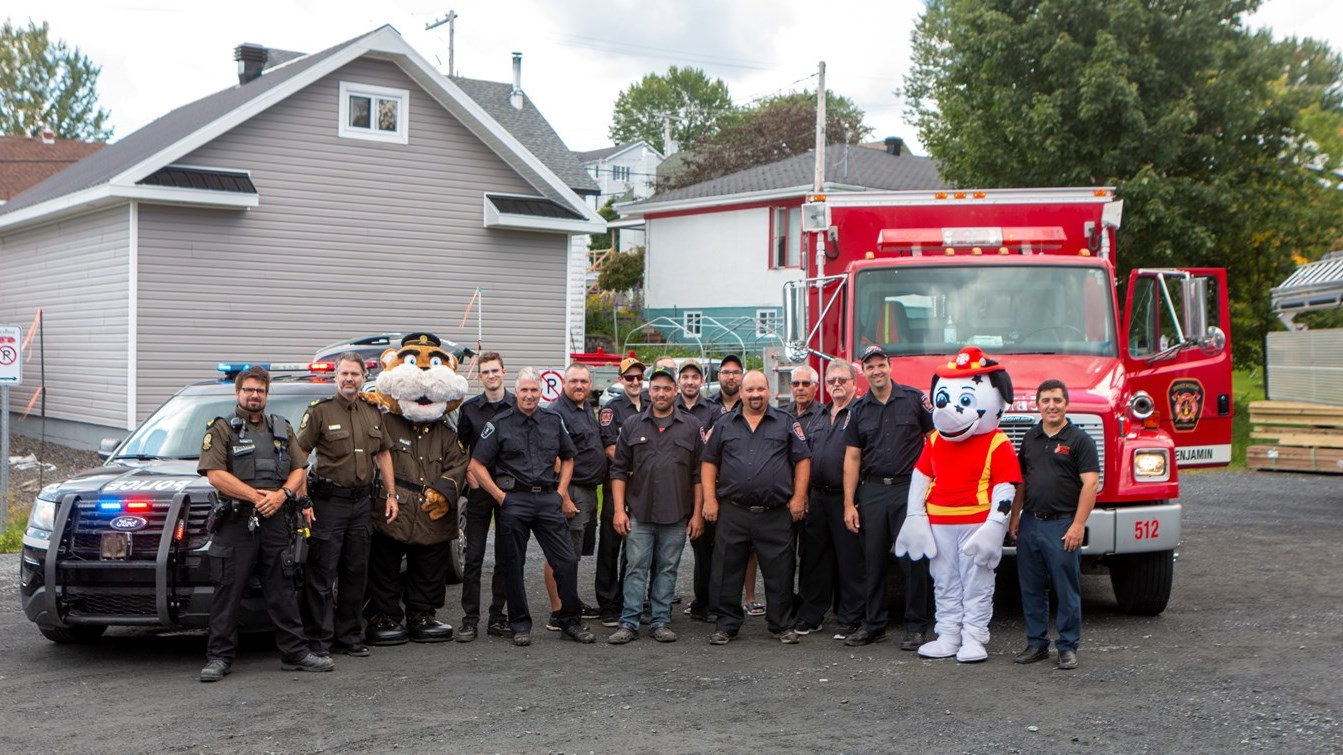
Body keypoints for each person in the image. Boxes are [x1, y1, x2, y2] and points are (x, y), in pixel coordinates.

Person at [197, 366, 332, 682]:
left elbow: (300, 469)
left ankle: (295, 652)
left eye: (260, 390)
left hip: (275, 522)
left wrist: (283, 495)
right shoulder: (221, 430)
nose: (254, 395)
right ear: (238, 393)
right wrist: (256, 497)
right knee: (228, 591)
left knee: (282, 591)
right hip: (237, 522)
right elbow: (215, 474)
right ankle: (219, 657)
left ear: (267, 395)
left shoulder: (281, 428)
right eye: (249, 390)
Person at [469, 368, 597, 646]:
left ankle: (569, 621)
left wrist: (561, 492)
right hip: (514, 500)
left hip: (548, 500)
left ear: (541, 393)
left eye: (534, 391)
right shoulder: (500, 423)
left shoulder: (553, 420)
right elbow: (477, 464)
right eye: (524, 390)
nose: (529, 395)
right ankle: (519, 625)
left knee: (566, 560)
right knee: (513, 564)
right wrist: (500, 497)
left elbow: (568, 458)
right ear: (518, 392)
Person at [362, 332, 470, 646]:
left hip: (431, 509)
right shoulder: (383, 421)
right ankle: (385, 616)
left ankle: (422, 614)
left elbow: (458, 463)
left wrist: (444, 492)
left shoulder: (446, 430)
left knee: (430, 565)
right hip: (391, 506)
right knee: (384, 564)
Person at [297, 353, 397, 658]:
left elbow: (383, 454)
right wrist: (304, 500)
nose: (349, 379)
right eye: (344, 374)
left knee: (356, 573)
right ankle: (320, 640)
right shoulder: (320, 413)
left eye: (354, 374)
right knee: (323, 575)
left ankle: (350, 637)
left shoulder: (373, 412)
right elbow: (299, 457)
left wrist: (392, 494)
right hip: (329, 504)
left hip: (361, 504)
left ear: (363, 377)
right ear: (335, 377)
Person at [702, 370, 811, 645]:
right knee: (727, 570)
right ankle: (726, 625)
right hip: (733, 511)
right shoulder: (724, 424)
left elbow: (802, 461)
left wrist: (799, 498)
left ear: (769, 391)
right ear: (741, 392)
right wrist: (710, 499)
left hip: (774, 513)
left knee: (780, 571)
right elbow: (708, 462)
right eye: (750, 390)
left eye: (760, 389)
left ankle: (781, 624)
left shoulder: (786, 423)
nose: (755, 395)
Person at [842, 345, 934, 648]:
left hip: (908, 489)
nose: (876, 371)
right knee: (872, 560)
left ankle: (916, 626)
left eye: (881, 365)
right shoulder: (858, 410)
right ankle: (874, 624)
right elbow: (852, 458)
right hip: (872, 491)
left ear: (890, 366)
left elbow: (935, 438)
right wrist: (848, 504)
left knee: (913, 560)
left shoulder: (913, 400)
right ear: (863, 372)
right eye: (870, 367)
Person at [607, 367, 705, 644]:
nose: (661, 393)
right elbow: (618, 470)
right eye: (657, 388)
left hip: (676, 514)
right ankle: (629, 623)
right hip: (640, 512)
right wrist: (617, 510)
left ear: (675, 392)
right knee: (635, 567)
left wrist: (698, 514)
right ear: (650, 391)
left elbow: (699, 474)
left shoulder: (691, 427)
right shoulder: (632, 425)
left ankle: (660, 621)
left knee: (667, 568)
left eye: (666, 388)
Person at [1010, 379, 1099, 670]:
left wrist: (1078, 525)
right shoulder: (1030, 438)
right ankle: (1036, 643)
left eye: (1057, 400)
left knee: (1066, 588)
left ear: (1066, 404)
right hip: (1031, 523)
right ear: (1038, 405)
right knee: (1031, 587)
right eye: (1046, 400)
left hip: (1062, 525)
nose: (1051, 406)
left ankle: (1068, 646)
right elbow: (1022, 482)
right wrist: (1015, 517)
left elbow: (1090, 485)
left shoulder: (1079, 440)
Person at [793, 360, 866, 639]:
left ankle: (850, 617)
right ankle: (812, 615)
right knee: (814, 559)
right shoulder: (820, 415)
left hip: (848, 498)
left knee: (850, 560)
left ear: (853, 382)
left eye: (842, 379)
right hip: (818, 498)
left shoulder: (860, 413)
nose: (836, 384)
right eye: (831, 380)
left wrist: (855, 500)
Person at [455, 351, 513, 642]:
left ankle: (498, 617)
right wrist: (467, 473)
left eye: (495, 370)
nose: (491, 376)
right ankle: (470, 619)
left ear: (504, 372)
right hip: (479, 490)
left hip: (509, 490)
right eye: (486, 372)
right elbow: (460, 448)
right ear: (479, 376)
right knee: (474, 557)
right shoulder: (469, 410)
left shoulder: (517, 405)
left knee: (506, 555)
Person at [542, 363, 605, 629]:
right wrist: (564, 497)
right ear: (564, 384)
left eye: (584, 381)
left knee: (574, 553)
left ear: (590, 384)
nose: (579, 386)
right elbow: (556, 459)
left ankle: (571, 600)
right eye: (574, 381)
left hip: (588, 491)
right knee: (561, 552)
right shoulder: (557, 413)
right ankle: (558, 611)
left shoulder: (586, 407)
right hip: (572, 491)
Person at [596, 357, 648, 627]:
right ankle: (607, 603)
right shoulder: (611, 409)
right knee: (610, 544)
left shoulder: (653, 405)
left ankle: (633, 600)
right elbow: (611, 449)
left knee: (638, 546)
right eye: (630, 378)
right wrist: (644, 462)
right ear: (620, 380)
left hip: (645, 489)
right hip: (618, 484)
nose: (636, 382)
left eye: (639, 377)